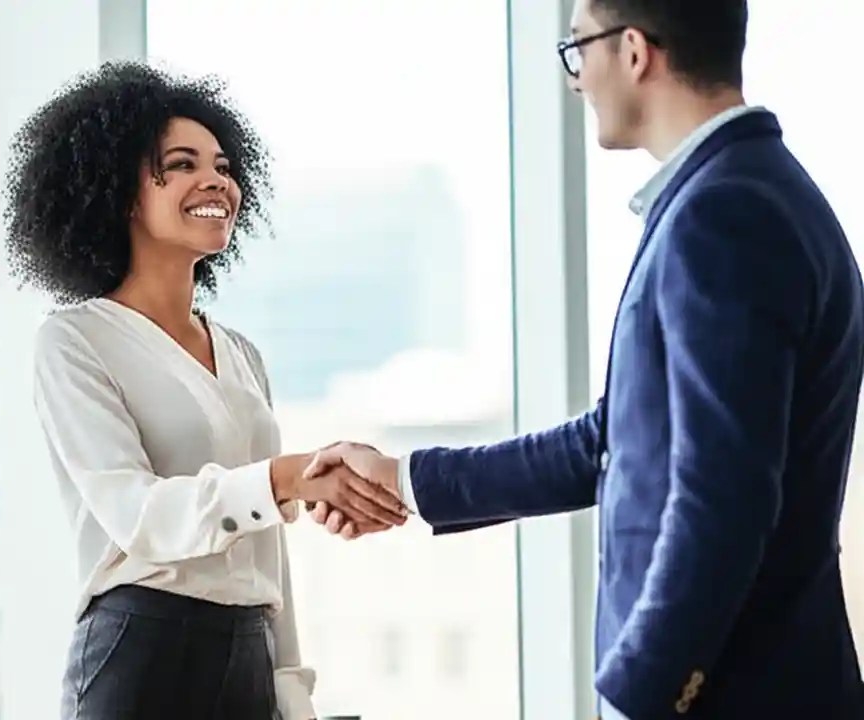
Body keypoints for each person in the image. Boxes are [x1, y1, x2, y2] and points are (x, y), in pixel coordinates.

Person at [305, 1, 864, 718]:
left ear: (634, 52)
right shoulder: (746, 193)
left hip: (732, 693)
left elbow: (722, 498)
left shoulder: (726, 218)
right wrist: (409, 480)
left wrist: (645, 689)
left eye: (578, 49)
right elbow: (613, 441)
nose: (575, 81)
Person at [4, 61, 408, 720]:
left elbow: (267, 552)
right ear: (121, 191)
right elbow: (139, 515)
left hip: (248, 652)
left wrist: (290, 690)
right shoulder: (74, 342)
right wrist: (288, 477)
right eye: (183, 164)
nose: (215, 180)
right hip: (143, 653)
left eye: (222, 165)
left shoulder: (243, 353)